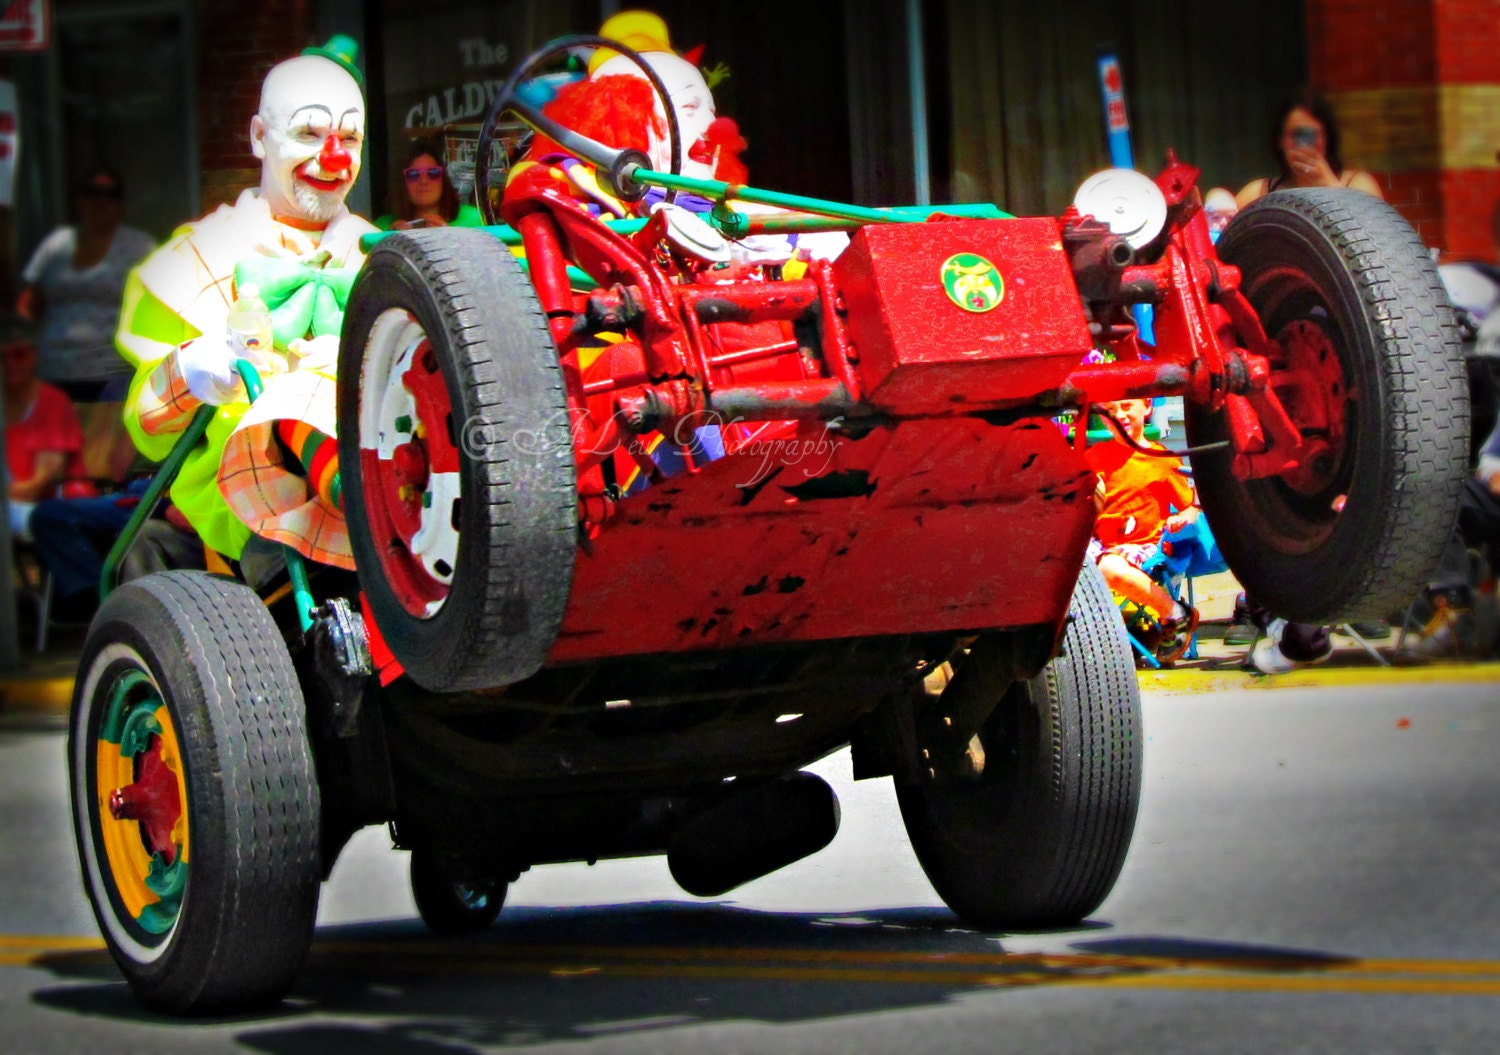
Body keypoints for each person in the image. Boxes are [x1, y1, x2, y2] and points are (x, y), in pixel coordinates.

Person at [115, 36, 375, 570]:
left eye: (349, 137)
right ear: (260, 137)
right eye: (309, 132)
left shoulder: (381, 255)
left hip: (391, 488)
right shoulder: (197, 256)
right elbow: (146, 423)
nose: (333, 157)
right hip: (248, 513)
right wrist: (196, 367)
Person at [16, 166, 157, 401]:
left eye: (110, 194)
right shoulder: (56, 244)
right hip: (51, 373)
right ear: (80, 200)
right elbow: (29, 304)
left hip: (114, 377)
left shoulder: (140, 247)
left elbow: (158, 306)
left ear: (121, 204)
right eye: (92, 192)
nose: (101, 201)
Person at [1086, 397, 1201, 663]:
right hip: (1099, 543)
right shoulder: (1093, 457)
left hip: (1144, 547)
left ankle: (1175, 613)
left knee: (1109, 569)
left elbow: (1191, 507)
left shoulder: (1161, 459)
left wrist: (1182, 518)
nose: (1120, 416)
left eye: (1127, 407)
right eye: (1110, 410)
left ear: (1147, 406)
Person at [1235, 92, 1384, 209]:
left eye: (1312, 135)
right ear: (1280, 140)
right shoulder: (1257, 194)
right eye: (1297, 135)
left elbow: (1374, 237)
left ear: (1326, 138)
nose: (1304, 145)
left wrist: (1330, 187)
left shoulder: (1359, 185)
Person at [3, 334, 85, 540]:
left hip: (50, 508)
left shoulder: (52, 403)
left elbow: (37, 487)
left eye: (19, 354)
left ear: (33, 356)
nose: (11, 363)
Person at [376, 137, 483, 230]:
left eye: (433, 173)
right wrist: (390, 240)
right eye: (413, 174)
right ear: (402, 182)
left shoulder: (473, 218)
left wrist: (448, 236)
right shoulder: (382, 226)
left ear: (443, 179)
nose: (423, 181)